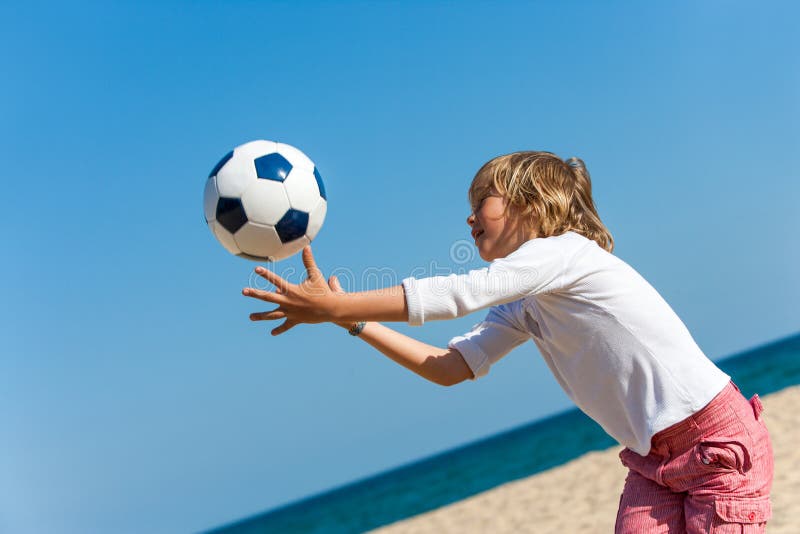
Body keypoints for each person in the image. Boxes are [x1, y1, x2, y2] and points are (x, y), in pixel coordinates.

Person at [242, 151, 773, 533]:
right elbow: (449, 366)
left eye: (482, 201)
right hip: (650, 460)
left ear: (533, 204)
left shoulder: (566, 253)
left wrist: (338, 303)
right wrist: (352, 324)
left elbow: (459, 292)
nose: (469, 217)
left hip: (717, 444)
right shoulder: (524, 302)